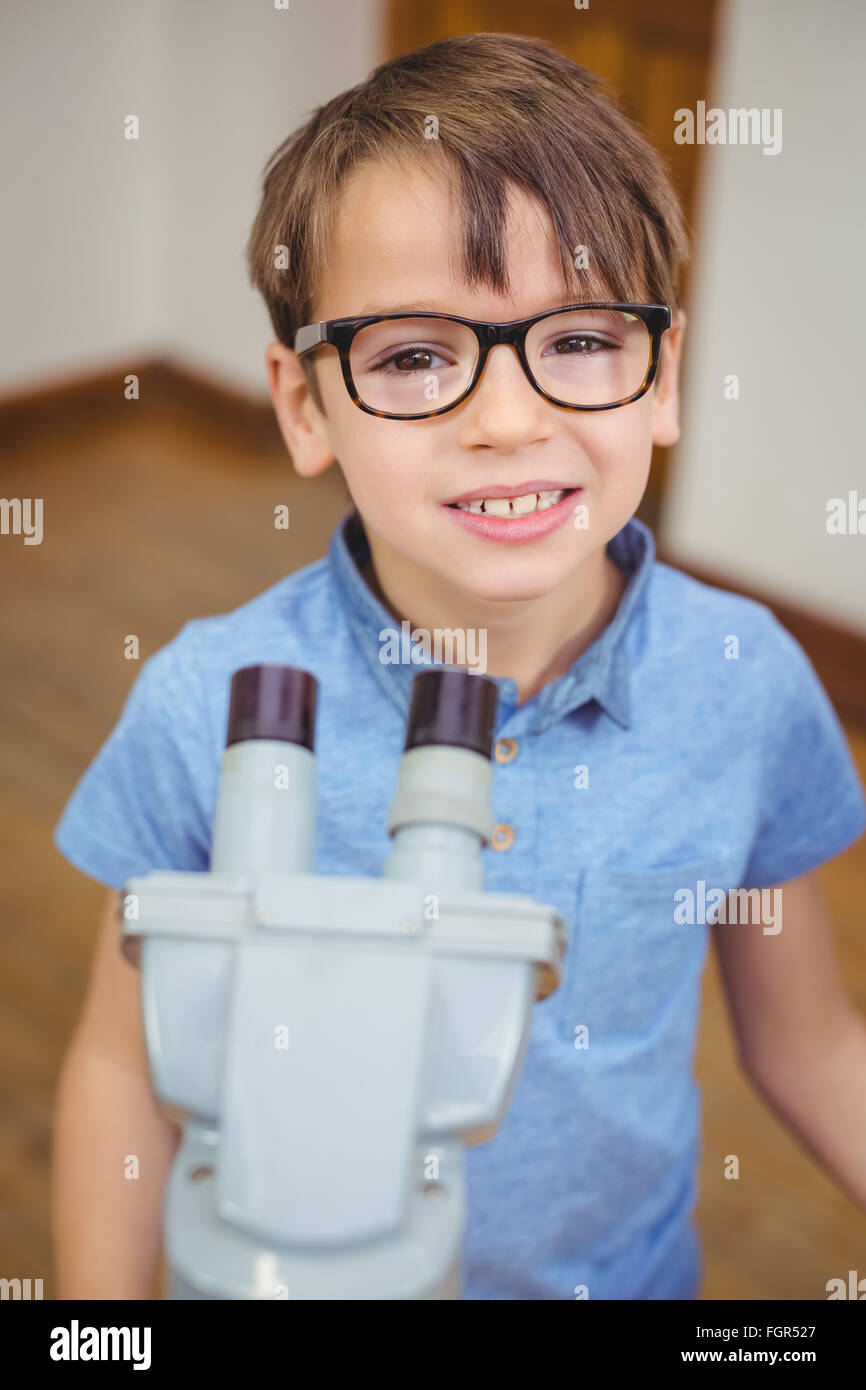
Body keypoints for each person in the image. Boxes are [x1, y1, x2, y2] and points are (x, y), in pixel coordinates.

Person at [53, 31, 866, 1300]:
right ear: (306, 406)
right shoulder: (205, 704)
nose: (507, 417)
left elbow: (811, 1044)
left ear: (661, 372)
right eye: (413, 356)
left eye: (583, 338)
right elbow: (122, 1069)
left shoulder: (742, 682)